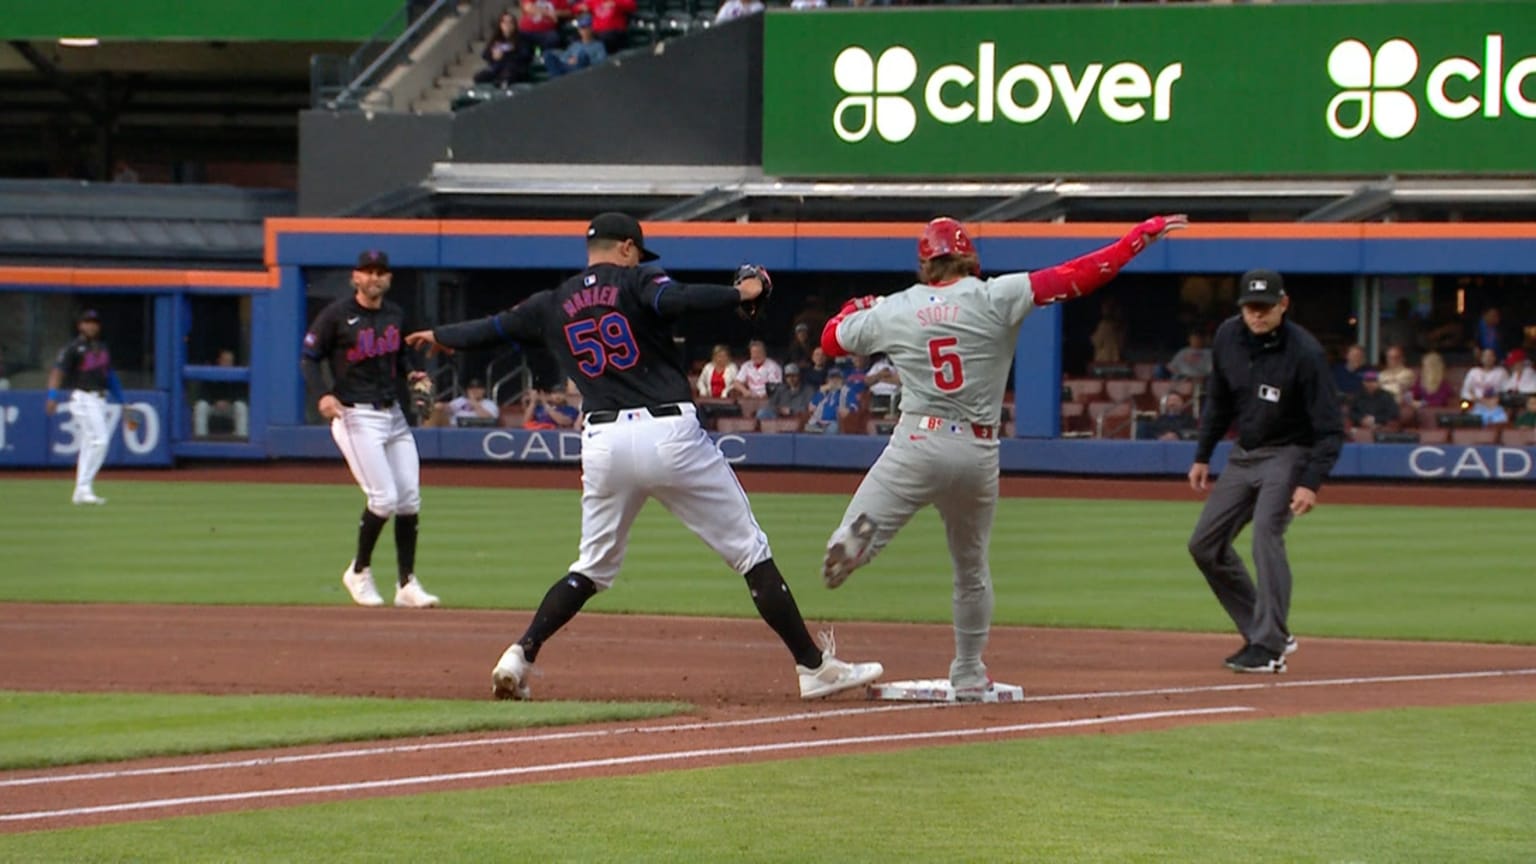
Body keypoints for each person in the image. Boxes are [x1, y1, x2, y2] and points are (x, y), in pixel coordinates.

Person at [405, 212, 882, 701]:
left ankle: (520, 655)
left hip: (603, 443)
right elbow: (674, 299)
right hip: (668, 431)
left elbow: (489, 328)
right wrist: (740, 293)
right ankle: (813, 668)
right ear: (628, 248)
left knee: (591, 568)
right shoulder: (637, 280)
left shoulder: (552, 301)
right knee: (750, 551)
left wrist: (439, 334)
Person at [818, 214, 1186, 699]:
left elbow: (829, 340)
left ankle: (856, 540)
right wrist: (1138, 237)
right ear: (970, 257)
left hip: (916, 441)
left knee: (864, 522)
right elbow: (1083, 273)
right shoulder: (997, 294)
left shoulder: (895, 308)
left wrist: (857, 305)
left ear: (924, 262)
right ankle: (969, 672)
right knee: (971, 569)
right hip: (976, 448)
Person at [1187, 269, 1343, 675]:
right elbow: (1219, 401)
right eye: (1250, 308)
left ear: (1283, 305)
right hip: (1245, 453)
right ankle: (1265, 627)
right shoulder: (1227, 337)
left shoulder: (1305, 354)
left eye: (1265, 308)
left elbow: (1330, 429)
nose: (1257, 316)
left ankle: (1269, 646)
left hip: (1290, 452)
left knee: (1265, 535)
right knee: (1204, 545)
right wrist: (1203, 454)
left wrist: (1311, 482)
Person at [301, 250, 440, 610]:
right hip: (355, 416)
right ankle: (359, 572)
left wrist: (414, 373)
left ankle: (406, 583)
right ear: (355, 277)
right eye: (368, 271)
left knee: (409, 499)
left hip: (393, 414)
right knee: (384, 499)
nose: (375, 278)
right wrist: (323, 395)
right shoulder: (336, 315)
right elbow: (310, 357)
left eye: (381, 272)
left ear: (388, 279)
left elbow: (403, 357)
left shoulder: (395, 314)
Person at [46, 309, 138, 505]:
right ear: (80, 325)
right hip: (82, 398)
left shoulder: (102, 348)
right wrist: (52, 396)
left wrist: (122, 401)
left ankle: (81, 490)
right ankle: (84, 488)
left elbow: (110, 377)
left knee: (90, 444)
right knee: (100, 441)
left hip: (100, 400)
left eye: (94, 322)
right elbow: (57, 372)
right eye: (87, 322)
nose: (91, 325)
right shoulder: (73, 348)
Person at [192, 349, 250, 438]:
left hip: (229, 407)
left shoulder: (237, 375)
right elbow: (202, 394)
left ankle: (241, 438)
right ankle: (201, 437)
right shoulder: (210, 374)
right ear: (219, 361)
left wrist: (229, 401)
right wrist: (215, 401)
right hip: (214, 406)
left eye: (230, 361)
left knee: (241, 407)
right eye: (225, 361)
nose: (227, 364)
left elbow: (242, 396)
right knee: (201, 406)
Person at [542, 14, 607, 78]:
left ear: (591, 28)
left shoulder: (598, 45)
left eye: (586, 27)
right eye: (581, 28)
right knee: (548, 55)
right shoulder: (575, 45)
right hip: (568, 68)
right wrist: (569, 60)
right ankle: (556, 83)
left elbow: (601, 61)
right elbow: (564, 57)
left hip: (583, 70)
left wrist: (582, 60)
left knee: (582, 55)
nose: (584, 30)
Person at [475, 11, 527, 86]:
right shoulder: (496, 38)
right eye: (504, 22)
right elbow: (485, 54)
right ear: (500, 24)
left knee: (507, 75)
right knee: (479, 77)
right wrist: (493, 55)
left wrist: (507, 53)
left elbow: (525, 55)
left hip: (513, 69)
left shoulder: (520, 38)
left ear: (514, 25)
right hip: (496, 68)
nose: (507, 25)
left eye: (510, 22)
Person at [803, 366, 852, 434]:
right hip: (819, 422)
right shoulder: (823, 392)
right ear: (827, 380)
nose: (834, 380)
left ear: (842, 380)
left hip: (834, 422)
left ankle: (822, 437)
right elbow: (811, 407)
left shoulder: (847, 392)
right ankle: (820, 435)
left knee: (832, 429)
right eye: (832, 378)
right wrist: (821, 393)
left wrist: (848, 410)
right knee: (808, 428)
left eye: (837, 378)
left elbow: (854, 406)